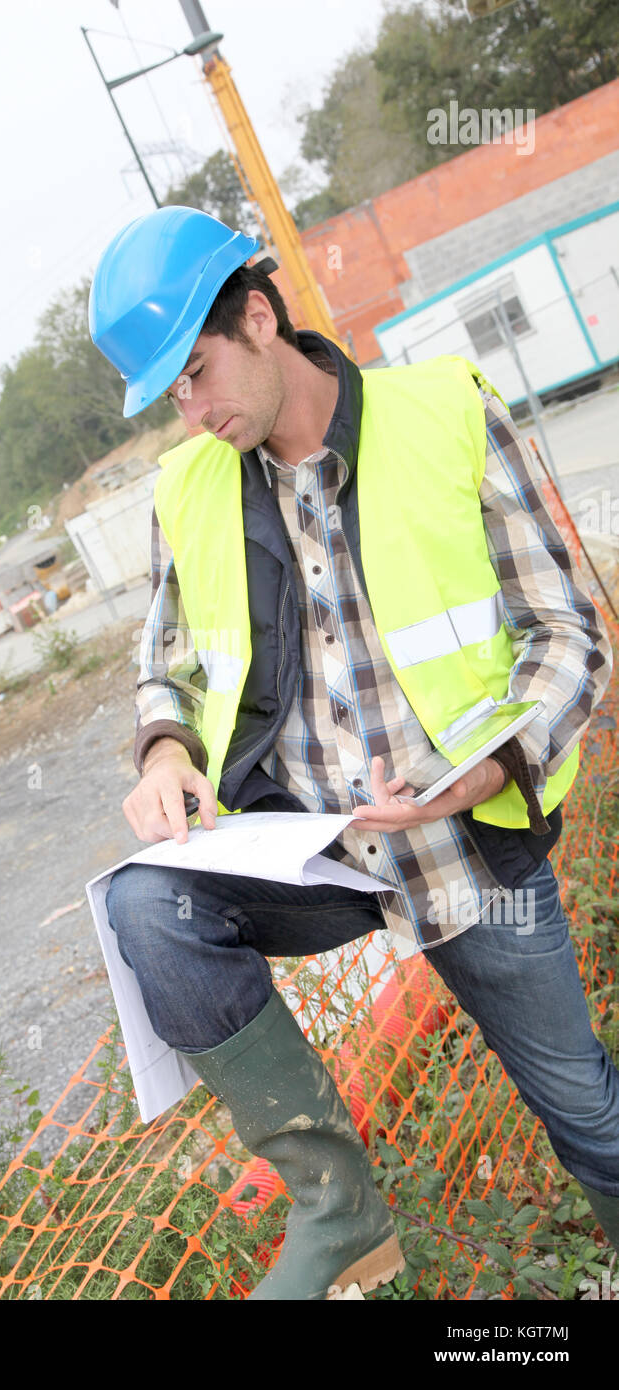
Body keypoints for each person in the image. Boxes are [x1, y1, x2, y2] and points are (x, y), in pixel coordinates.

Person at [88, 204, 618, 1300]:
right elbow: (166, 662)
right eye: (171, 395)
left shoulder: (442, 416)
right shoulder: (186, 490)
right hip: (310, 856)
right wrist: (160, 749)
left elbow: (568, 633)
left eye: (197, 372)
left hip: (465, 849)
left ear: (261, 314)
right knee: (148, 904)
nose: (192, 412)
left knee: (580, 1107)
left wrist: (496, 761)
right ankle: (339, 1211)